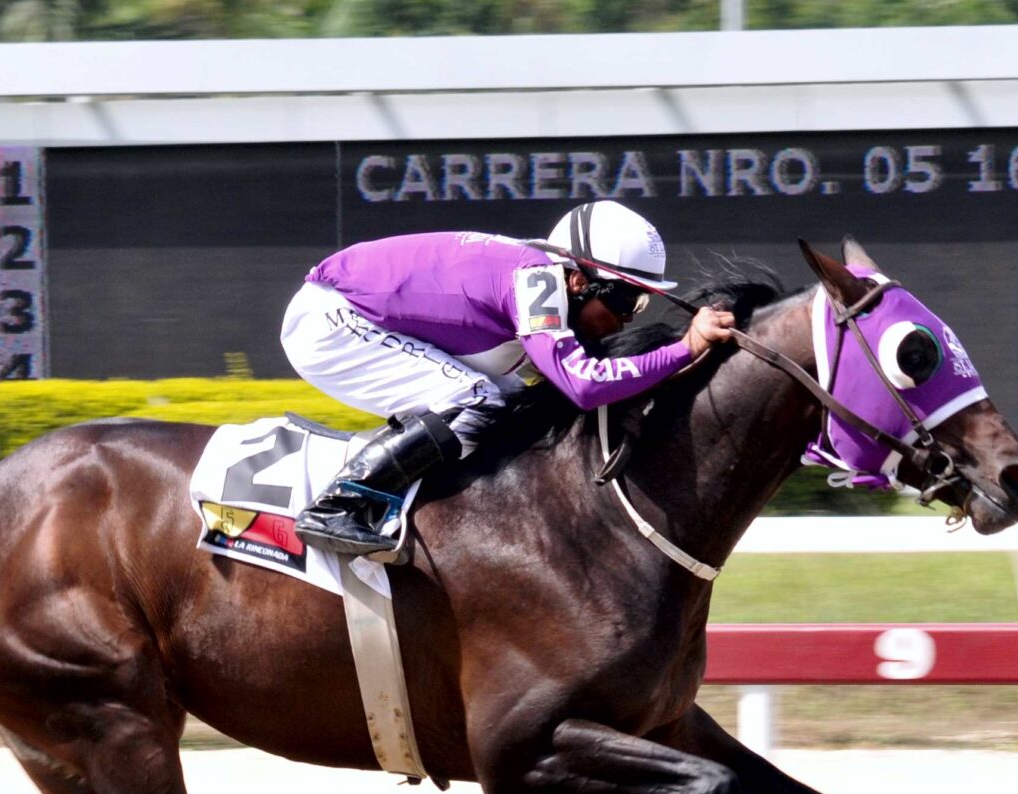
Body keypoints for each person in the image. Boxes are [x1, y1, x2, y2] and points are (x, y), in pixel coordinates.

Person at [279, 202, 737, 557]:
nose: (623, 321)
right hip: (331, 321)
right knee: (477, 398)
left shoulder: (545, 273)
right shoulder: (538, 281)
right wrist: (685, 349)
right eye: (624, 301)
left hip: (355, 311)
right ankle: (339, 506)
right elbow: (584, 384)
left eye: (638, 307)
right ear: (580, 282)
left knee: (512, 400)